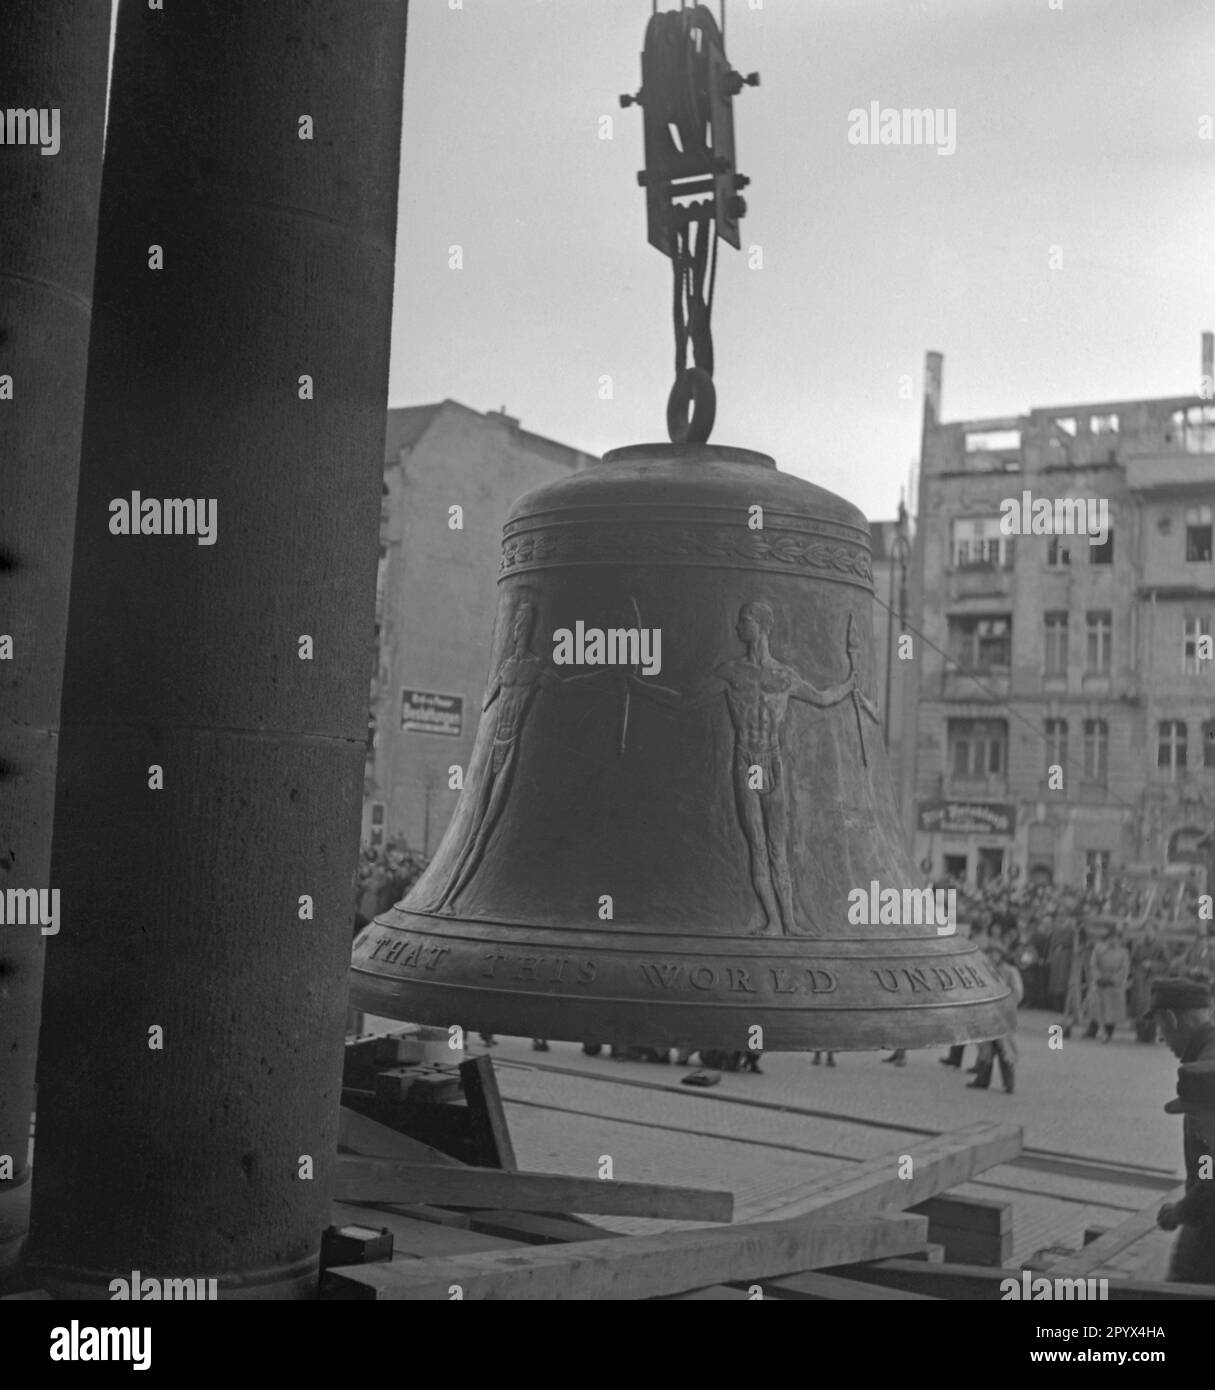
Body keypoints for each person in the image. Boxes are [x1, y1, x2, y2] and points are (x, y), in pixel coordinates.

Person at [1147, 979, 1215, 1281]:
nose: (1162, 1038)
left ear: (1173, 1019)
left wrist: (1185, 1209)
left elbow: (1210, 1163)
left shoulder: (1207, 1069)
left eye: (1161, 1027)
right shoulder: (1205, 1056)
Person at [1159, 1059, 1215, 1283]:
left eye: (1196, 1116)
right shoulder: (1207, 1148)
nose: (1194, 1128)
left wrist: (1181, 1211)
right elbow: (1207, 1178)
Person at [968, 945, 1023, 1094]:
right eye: (990, 954)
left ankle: (1009, 1083)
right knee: (985, 1050)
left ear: (1001, 955)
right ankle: (982, 1080)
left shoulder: (1010, 971)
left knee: (1005, 1050)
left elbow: (1017, 992)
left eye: (995, 954)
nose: (992, 957)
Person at [1089, 929, 1131, 1043]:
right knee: (1097, 1006)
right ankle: (1094, 1029)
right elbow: (1093, 964)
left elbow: (1125, 968)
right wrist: (1099, 977)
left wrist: (1114, 979)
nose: (1113, 940)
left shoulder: (1123, 952)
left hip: (1114, 984)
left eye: (1116, 938)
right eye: (1111, 938)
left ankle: (1109, 1031)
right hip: (1100, 981)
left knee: (1113, 1009)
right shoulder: (1099, 950)